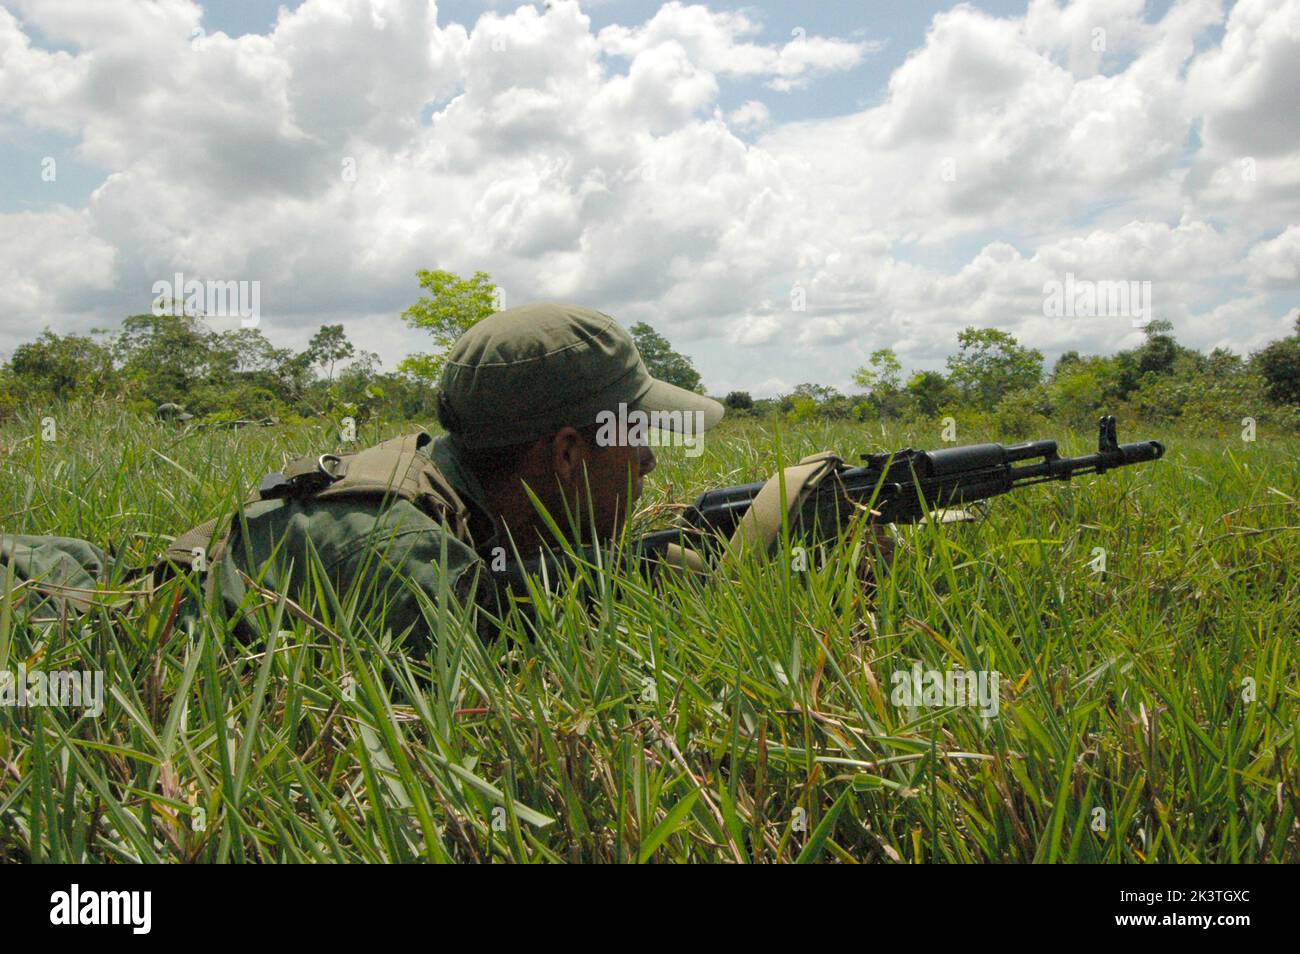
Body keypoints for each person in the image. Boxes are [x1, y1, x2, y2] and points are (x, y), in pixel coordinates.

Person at [2, 302, 729, 647]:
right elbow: (489, 682)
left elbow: (528, 581)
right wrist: (713, 568)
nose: (649, 463)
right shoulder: (397, 546)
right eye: (637, 439)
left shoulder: (455, 483)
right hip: (56, 635)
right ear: (566, 453)